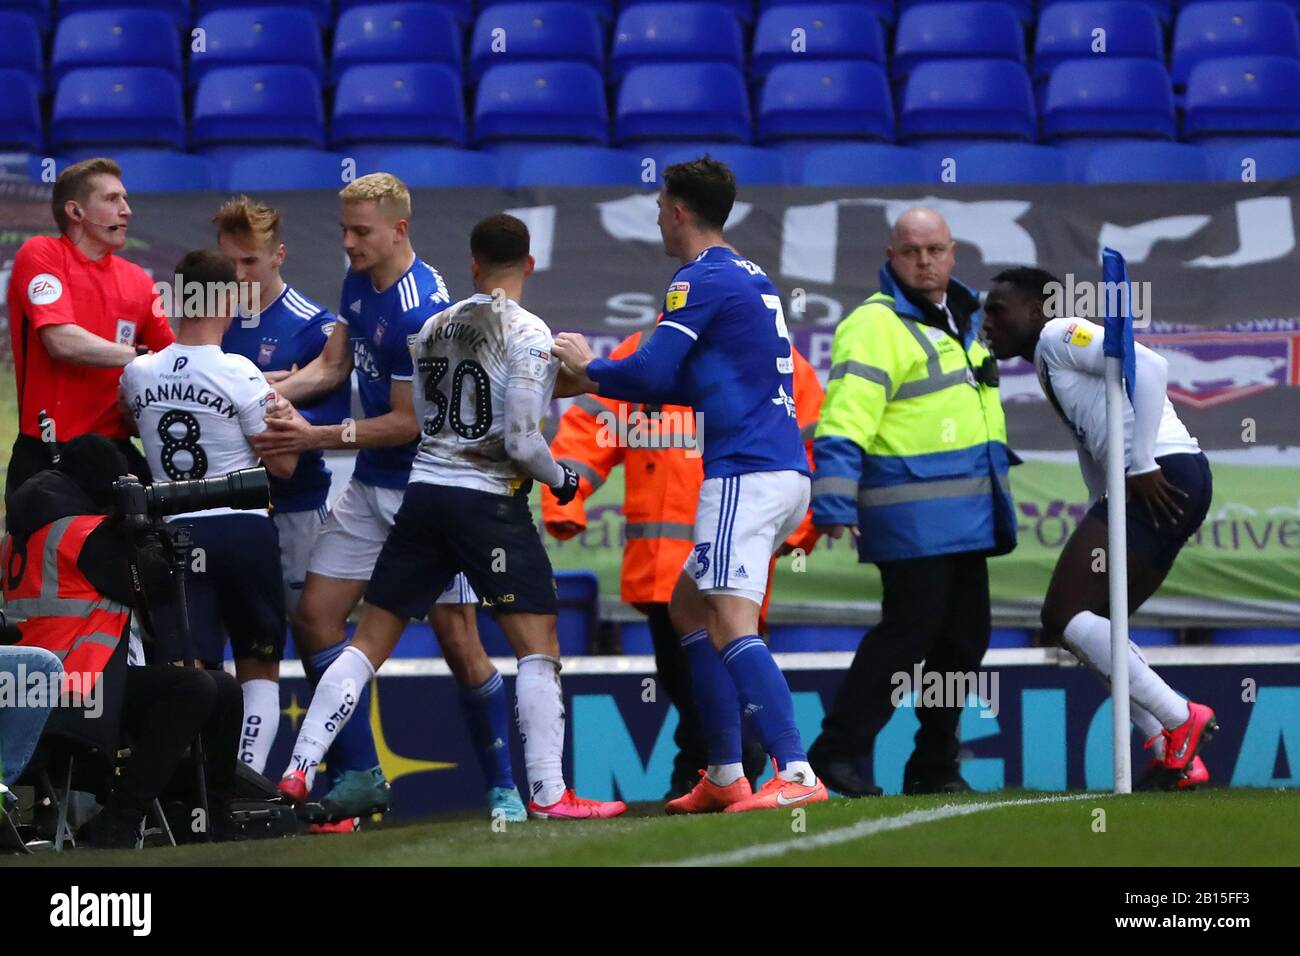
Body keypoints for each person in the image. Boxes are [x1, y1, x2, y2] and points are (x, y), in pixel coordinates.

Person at [275, 213, 626, 820]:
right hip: (487, 501)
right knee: (538, 646)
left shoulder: (435, 324)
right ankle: (549, 793)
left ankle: (299, 768)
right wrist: (564, 479)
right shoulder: (528, 330)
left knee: (365, 644)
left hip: (425, 494)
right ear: (530, 264)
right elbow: (520, 439)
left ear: (472, 263)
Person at [553, 157, 828, 813]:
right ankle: (725, 772)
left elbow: (650, 374)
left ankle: (796, 770)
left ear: (677, 210)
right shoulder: (750, 275)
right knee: (687, 608)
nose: (657, 221)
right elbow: (687, 387)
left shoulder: (697, 280)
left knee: (730, 623)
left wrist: (588, 366)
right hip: (778, 469)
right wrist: (596, 381)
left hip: (744, 474)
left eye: (658, 209)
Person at [251, 173, 512, 823]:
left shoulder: (422, 313)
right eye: (343, 229)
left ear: (400, 230)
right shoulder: (358, 281)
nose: (347, 242)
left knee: (458, 639)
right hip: (372, 484)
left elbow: (408, 421)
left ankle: (506, 789)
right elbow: (335, 367)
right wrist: (262, 390)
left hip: (432, 483)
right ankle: (363, 774)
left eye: (360, 231)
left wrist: (310, 434)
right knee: (313, 617)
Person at [541, 331, 824, 798]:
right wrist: (564, 501)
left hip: (729, 556)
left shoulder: (775, 358)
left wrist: (794, 531)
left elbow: (812, 445)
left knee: (724, 673)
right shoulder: (642, 353)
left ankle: (729, 768)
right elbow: (590, 432)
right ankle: (720, 771)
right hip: (664, 571)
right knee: (687, 678)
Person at [807, 206, 1018, 797]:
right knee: (907, 636)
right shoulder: (873, 325)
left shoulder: (969, 318)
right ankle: (835, 754)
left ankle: (933, 766)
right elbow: (844, 420)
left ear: (953, 253)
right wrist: (834, 500)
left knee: (962, 641)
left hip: (968, 514)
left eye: (936, 250)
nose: (925, 262)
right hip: (912, 515)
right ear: (890, 257)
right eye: (911, 251)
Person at [981, 267, 1217, 788]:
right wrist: (1102, 500)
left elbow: (1151, 365)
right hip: (1168, 481)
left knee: (1062, 615)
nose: (987, 323)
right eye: (983, 313)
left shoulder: (1057, 332)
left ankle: (1180, 720)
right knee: (1097, 628)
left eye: (998, 310)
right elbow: (1094, 436)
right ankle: (1173, 748)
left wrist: (1138, 464)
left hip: (1161, 477)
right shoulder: (1047, 362)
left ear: (1038, 308)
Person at [1, 435, 243, 849]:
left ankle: (206, 819)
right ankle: (121, 819)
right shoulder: (83, 533)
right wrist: (144, 529)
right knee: (196, 688)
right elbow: (157, 582)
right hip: (76, 692)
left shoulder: (23, 535)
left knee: (221, 690)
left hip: (34, 689)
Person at [119, 249, 302, 777]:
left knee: (188, 671)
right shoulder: (242, 373)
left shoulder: (138, 373)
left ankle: (193, 789)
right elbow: (285, 464)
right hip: (243, 528)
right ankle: (242, 784)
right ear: (227, 301)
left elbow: (130, 422)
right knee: (259, 662)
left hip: (174, 535)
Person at [5, 157, 174, 500]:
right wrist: (139, 355)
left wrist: (254, 378)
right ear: (76, 212)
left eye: (125, 200)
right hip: (48, 453)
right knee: (41, 553)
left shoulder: (139, 280)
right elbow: (60, 341)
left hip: (114, 453)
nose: (126, 210)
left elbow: (174, 359)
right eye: (112, 200)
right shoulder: (42, 253)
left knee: (155, 544)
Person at [215, 196, 350, 620]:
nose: (238, 274)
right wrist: (265, 391)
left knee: (312, 633)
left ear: (279, 256)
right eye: (228, 261)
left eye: (249, 261)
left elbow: (331, 418)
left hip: (294, 509)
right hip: (223, 509)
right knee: (225, 640)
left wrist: (267, 405)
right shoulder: (208, 320)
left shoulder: (313, 326)